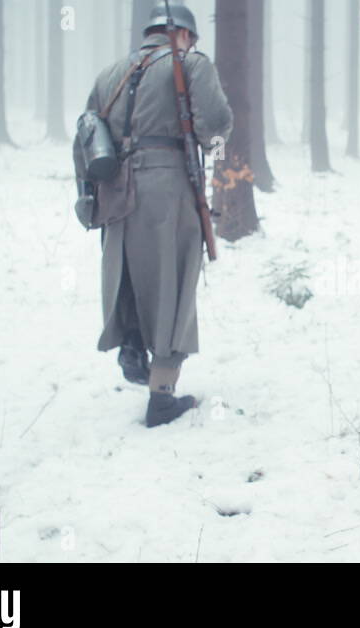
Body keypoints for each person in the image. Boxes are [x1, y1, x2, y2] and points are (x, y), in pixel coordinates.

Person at [73, 1, 233, 428]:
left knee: (127, 276)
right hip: (167, 190)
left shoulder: (109, 74)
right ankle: (162, 396)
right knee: (171, 285)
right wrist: (213, 149)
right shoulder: (191, 63)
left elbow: (86, 136)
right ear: (183, 34)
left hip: (114, 192)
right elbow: (215, 125)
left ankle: (131, 340)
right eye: (190, 39)